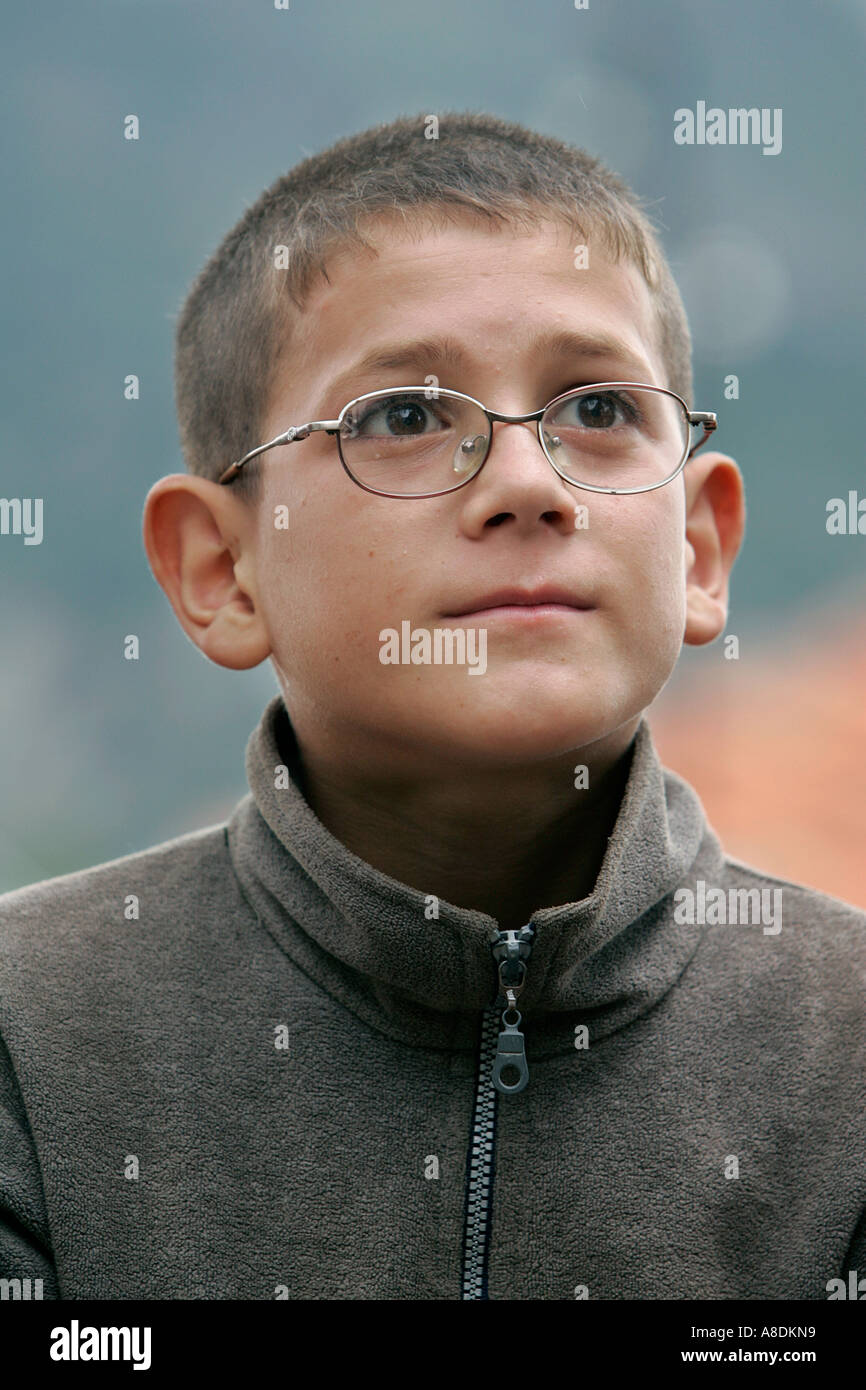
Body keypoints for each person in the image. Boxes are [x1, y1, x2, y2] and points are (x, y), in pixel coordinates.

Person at [1, 112, 864, 1302]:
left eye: (598, 410)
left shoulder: (848, 1053)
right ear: (220, 568)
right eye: (404, 417)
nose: (525, 482)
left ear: (700, 545)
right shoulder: (29, 1040)